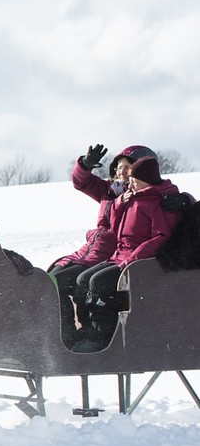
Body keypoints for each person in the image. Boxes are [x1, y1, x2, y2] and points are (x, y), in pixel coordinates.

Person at [68, 154, 183, 352]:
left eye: (135, 180)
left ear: (147, 180)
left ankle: (102, 338)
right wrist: (121, 202)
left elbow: (160, 237)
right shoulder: (132, 196)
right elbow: (113, 225)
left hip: (138, 260)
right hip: (119, 255)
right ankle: (88, 331)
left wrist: (132, 259)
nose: (131, 184)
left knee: (99, 282)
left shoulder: (160, 202)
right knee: (83, 280)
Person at [46, 143, 151, 341]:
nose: (122, 171)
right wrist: (85, 165)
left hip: (108, 254)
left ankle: (79, 337)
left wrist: (184, 200)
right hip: (90, 250)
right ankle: (65, 335)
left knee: (60, 284)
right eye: (119, 166)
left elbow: (171, 196)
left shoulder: (143, 196)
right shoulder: (109, 191)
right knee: (49, 281)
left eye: (128, 167)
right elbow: (81, 182)